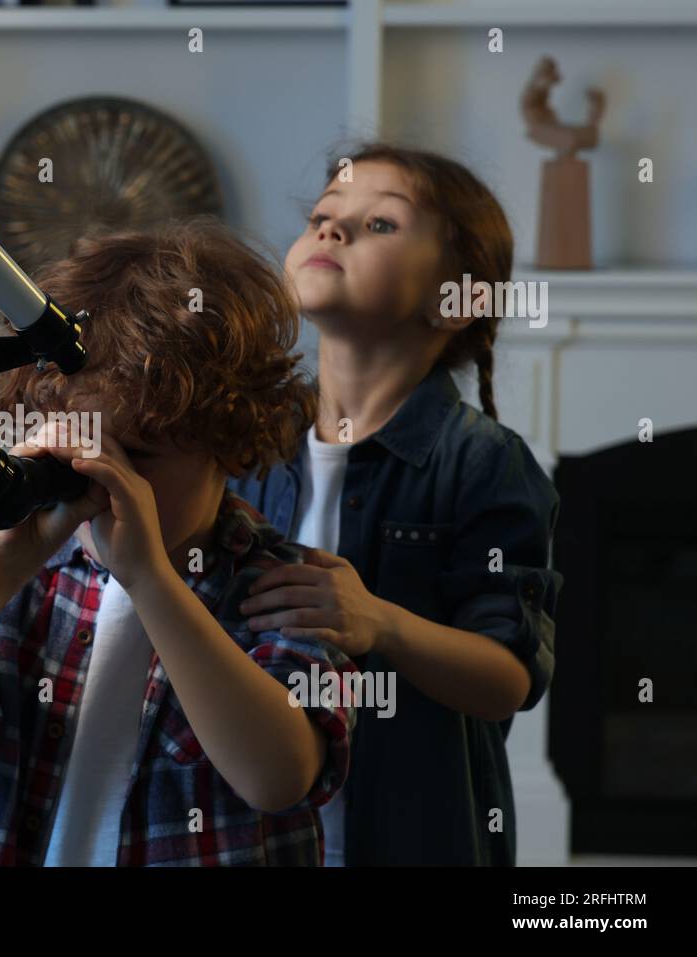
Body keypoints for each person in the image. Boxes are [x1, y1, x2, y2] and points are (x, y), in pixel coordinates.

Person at [0, 217, 357, 865]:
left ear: (231, 443)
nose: (99, 476)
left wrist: (151, 580)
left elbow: (280, 776)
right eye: (76, 448)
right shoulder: (35, 580)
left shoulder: (288, 588)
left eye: (136, 453)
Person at [228, 144, 562, 865]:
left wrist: (379, 621)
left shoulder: (482, 460)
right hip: (255, 836)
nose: (331, 231)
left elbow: (508, 677)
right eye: (322, 216)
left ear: (461, 298)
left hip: (413, 837)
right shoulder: (241, 440)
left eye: (380, 223)